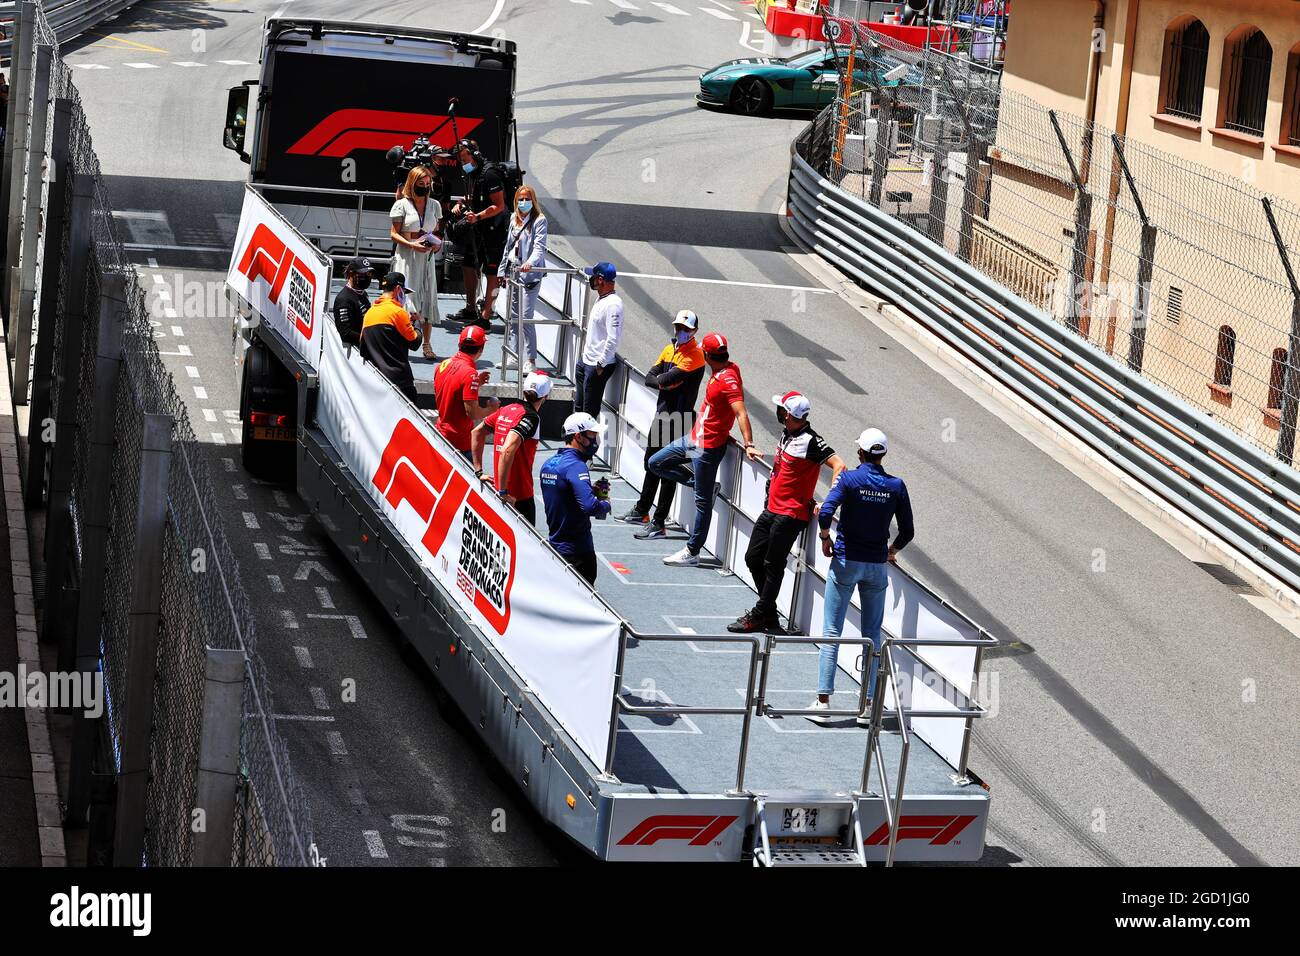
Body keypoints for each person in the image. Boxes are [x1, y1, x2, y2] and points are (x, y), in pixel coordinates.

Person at [806, 428, 914, 725]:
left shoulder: (850, 479)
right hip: (876, 565)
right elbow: (908, 531)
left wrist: (825, 537)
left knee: (832, 631)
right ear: (883, 455)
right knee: (872, 636)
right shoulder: (896, 485)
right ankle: (867, 705)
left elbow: (825, 511)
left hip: (845, 562)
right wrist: (891, 550)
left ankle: (824, 701)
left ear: (860, 453)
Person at [728, 391, 845, 634]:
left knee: (773, 563)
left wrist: (830, 501)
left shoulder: (812, 441)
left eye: (782, 409)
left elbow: (839, 465)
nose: (778, 412)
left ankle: (761, 614)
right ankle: (768, 614)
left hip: (791, 514)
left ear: (791, 415)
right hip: (772, 508)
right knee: (753, 558)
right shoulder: (787, 433)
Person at [649, 332, 761, 567]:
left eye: (703, 351)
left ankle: (693, 551)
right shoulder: (730, 369)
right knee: (655, 463)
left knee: (702, 503)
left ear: (708, 355)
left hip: (707, 447)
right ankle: (702, 487)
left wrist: (748, 444)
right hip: (693, 438)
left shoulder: (727, 380)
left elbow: (740, 411)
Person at [619, 310, 706, 539]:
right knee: (651, 463)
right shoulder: (670, 349)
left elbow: (663, 379)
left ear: (695, 331)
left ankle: (659, 522)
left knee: (666, 470)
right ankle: (642, 510)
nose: (681, 331)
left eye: (686, 329)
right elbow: (651, 378)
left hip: (679, 418)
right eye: (678, 327)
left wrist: (662, 382)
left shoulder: (695, 355)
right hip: (664, 415)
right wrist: (663, 383)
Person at [470, 371, 551, 527]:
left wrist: (479, 471)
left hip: (498, 490)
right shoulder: (531, 417)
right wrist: (503, 492)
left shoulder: (506, 409)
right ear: (546, 397)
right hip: (518, 496)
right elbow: (507, 450)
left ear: (524, 391)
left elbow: (477, 432)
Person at [540, 412, 612, 584]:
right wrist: (605, 504)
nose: (596, 441)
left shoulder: (548, 464)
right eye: (593, 435)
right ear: (578, 436)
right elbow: (590, 507)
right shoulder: (576, 466)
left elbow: (562, 496)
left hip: (556, 546)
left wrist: (588, 490)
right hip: (578, 553)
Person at [448, 139, 507, 329]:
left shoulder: (490, 174)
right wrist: (461, 203)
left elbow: (499, 205)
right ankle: (470, 308)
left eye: (464, 159)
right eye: (460, 161)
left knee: (491, 273)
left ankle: (485, 316)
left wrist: (478, 216)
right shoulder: (473, 174)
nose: (462, 164)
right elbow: (475, 197)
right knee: (467, 265)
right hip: (477, 231)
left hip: (493, 232)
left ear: (474, 155)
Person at [389, 166, 443, 360]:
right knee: (406, 300)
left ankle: (426, 344)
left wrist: (437, 244)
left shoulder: (435, 205)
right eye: (421, 184)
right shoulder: (401, 205)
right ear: (413, 183)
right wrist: (412, 245)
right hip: (407, 257)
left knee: (428, 298)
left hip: (426, 258)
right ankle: (403, 341)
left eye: (428, 184)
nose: (426, 187)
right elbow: (394, 233)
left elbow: (434, 231)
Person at [496, 185, 548, 373]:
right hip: (513, 272)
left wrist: (530, 263)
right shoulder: (513, 218)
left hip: (530, 275)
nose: (523, 202)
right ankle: (512, 356)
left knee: (526, 318)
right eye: (520, 198)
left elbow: (539, 247)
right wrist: (502, 270)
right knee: (513, 317)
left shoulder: (539, 220)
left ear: (532, 200)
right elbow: (508, 246)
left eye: (527, 198)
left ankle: (531, 360)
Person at [433, 325, 498, 459]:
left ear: (459, 344)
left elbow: (450, 390)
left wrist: (475, 384)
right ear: (481, 349)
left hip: (441, 434)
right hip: (460, 443)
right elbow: (473, 413)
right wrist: (491, 410)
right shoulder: (470, 374)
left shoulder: (443, 364)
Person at [359, 272, 421, 403]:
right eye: (404, 292)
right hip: (401, 383)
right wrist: (416, 323)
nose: (404, 296)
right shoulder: (398, 312)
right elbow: (415, 342)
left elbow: (363, 349)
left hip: (376, 381)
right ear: (398, 289)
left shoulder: (369, 314)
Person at [575, 261, 623, 418]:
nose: (592, 279)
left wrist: (601, 364)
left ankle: (587, 442)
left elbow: (613, 338)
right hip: (586, 362)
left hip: (596, 366)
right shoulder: (602, 298)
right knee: (579, 408)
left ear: (600, 280)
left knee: (588, 414)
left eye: (594, 276)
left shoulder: (613, 305)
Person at [331, 256, 373, 347]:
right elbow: (345, 333)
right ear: (351, 273)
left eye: (368, 273)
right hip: (357, 352)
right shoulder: (344, 299)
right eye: (362, 274)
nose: (366, 276)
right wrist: (371, 340)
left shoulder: (362, 293)